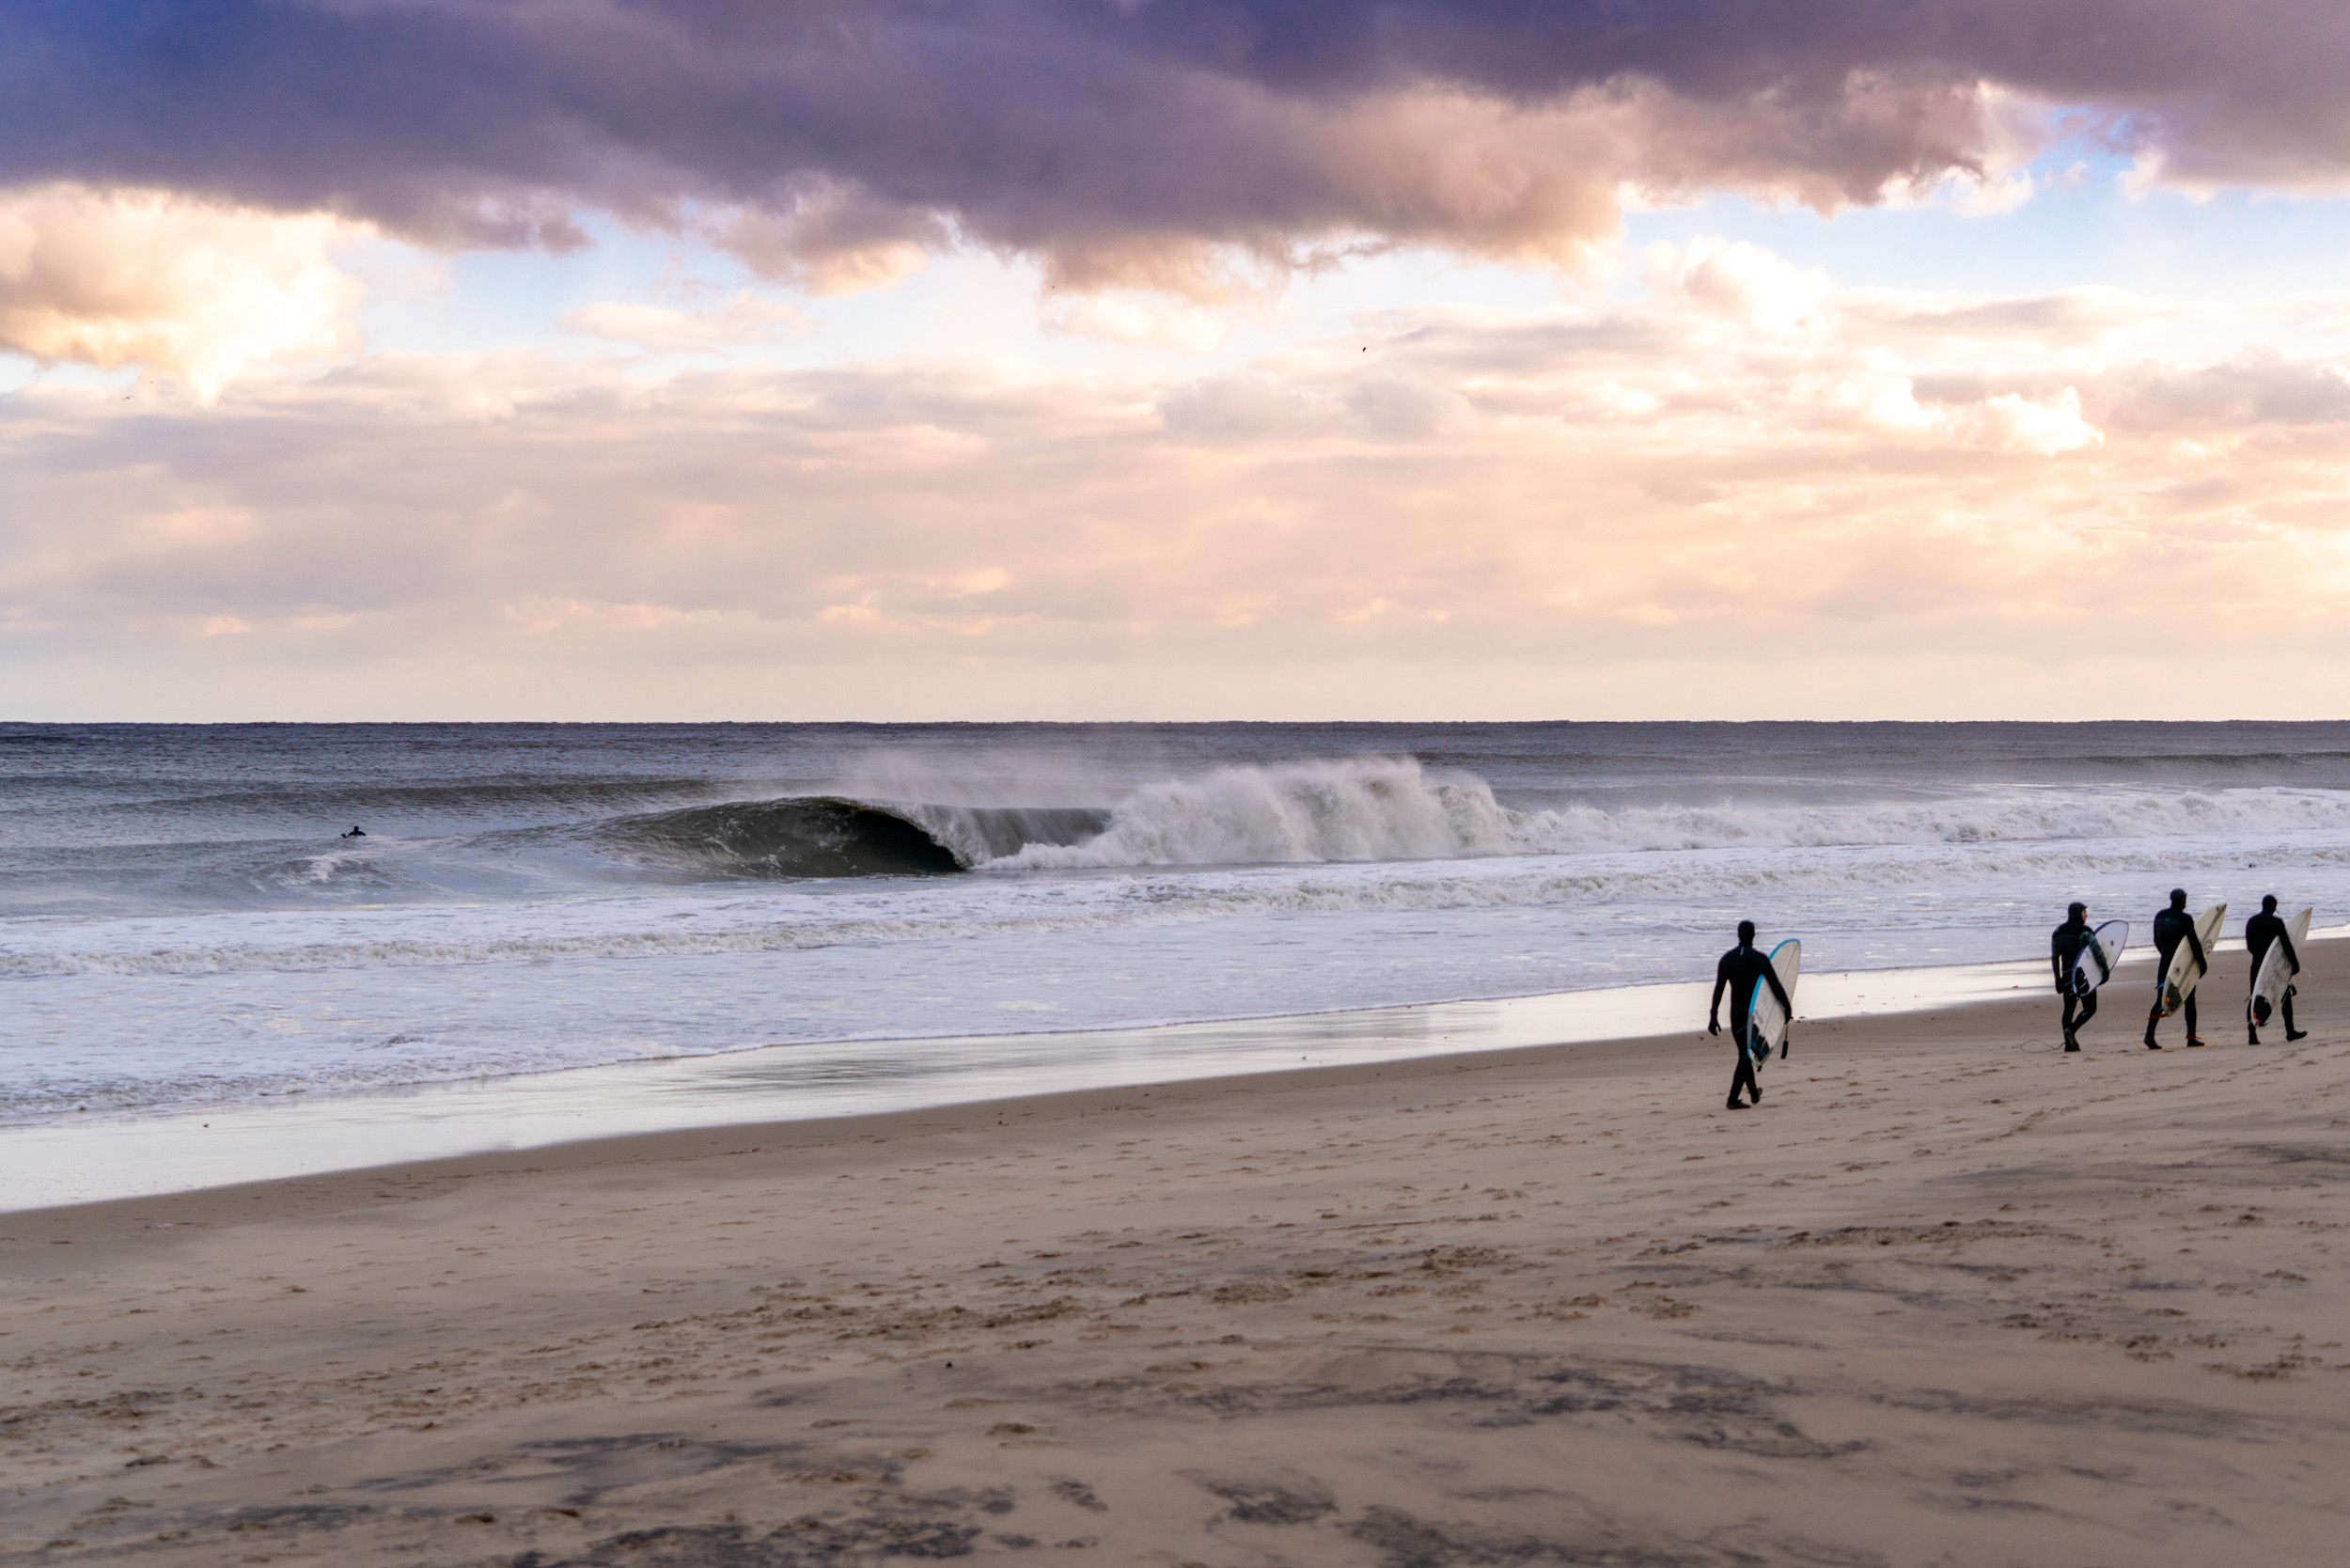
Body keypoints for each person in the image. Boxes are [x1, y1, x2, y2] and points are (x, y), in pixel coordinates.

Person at [1708, 920, 1793, 1111]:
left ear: (1738, 935)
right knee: (1745, 1056)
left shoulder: (1727, 960)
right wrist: (1786, 1007)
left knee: (1744, 1054)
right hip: (1753, 1016)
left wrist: (1713, 1016)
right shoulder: (1759, 959)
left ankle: (1754, 1093)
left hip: (1736, 1014)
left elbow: (1718, 990)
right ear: (1753, 935)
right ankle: (1733, 1099)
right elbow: (1775, 986)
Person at [2143, 888, 2207, 1050]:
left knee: (2160, 999)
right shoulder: (2185, 919)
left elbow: (2156, 939)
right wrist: (2202, 963)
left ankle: (2149, 1035)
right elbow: (2193, 943)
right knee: (2189, 999)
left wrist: (2165, 953)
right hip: (2181, 964)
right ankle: (2191, 1038)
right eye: (2185, 899)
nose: (2186, 901)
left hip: (2165, 961)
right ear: (2181, 901)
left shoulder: (2160, 915)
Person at [2244, 895, 2308, 1044]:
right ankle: (2290, 1031)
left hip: (2257, 965)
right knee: (2285, 996)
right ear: (2274, 907)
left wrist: (2260, 957)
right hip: (2274, 966)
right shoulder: (2276, 922)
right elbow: (2285, 945)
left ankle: (2252, 1036)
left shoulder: (2251, 922)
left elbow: (2249, 946)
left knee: (2255, 997)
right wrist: (2294, 964)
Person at [2050, 902, 2099, 1052]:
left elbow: (2055, 957)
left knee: (2068, 1010)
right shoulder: (2085, 931)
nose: (2086, 915)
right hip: (2083, 977)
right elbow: (2097, 953)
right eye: (2084, 912)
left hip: (2066, 977)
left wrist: (2057, 979)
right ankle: (2071, 1031)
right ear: (2078, 913)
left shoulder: (2058, 931)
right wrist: (2104, 971)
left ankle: (2068, 1045)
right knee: (2090, 1008)